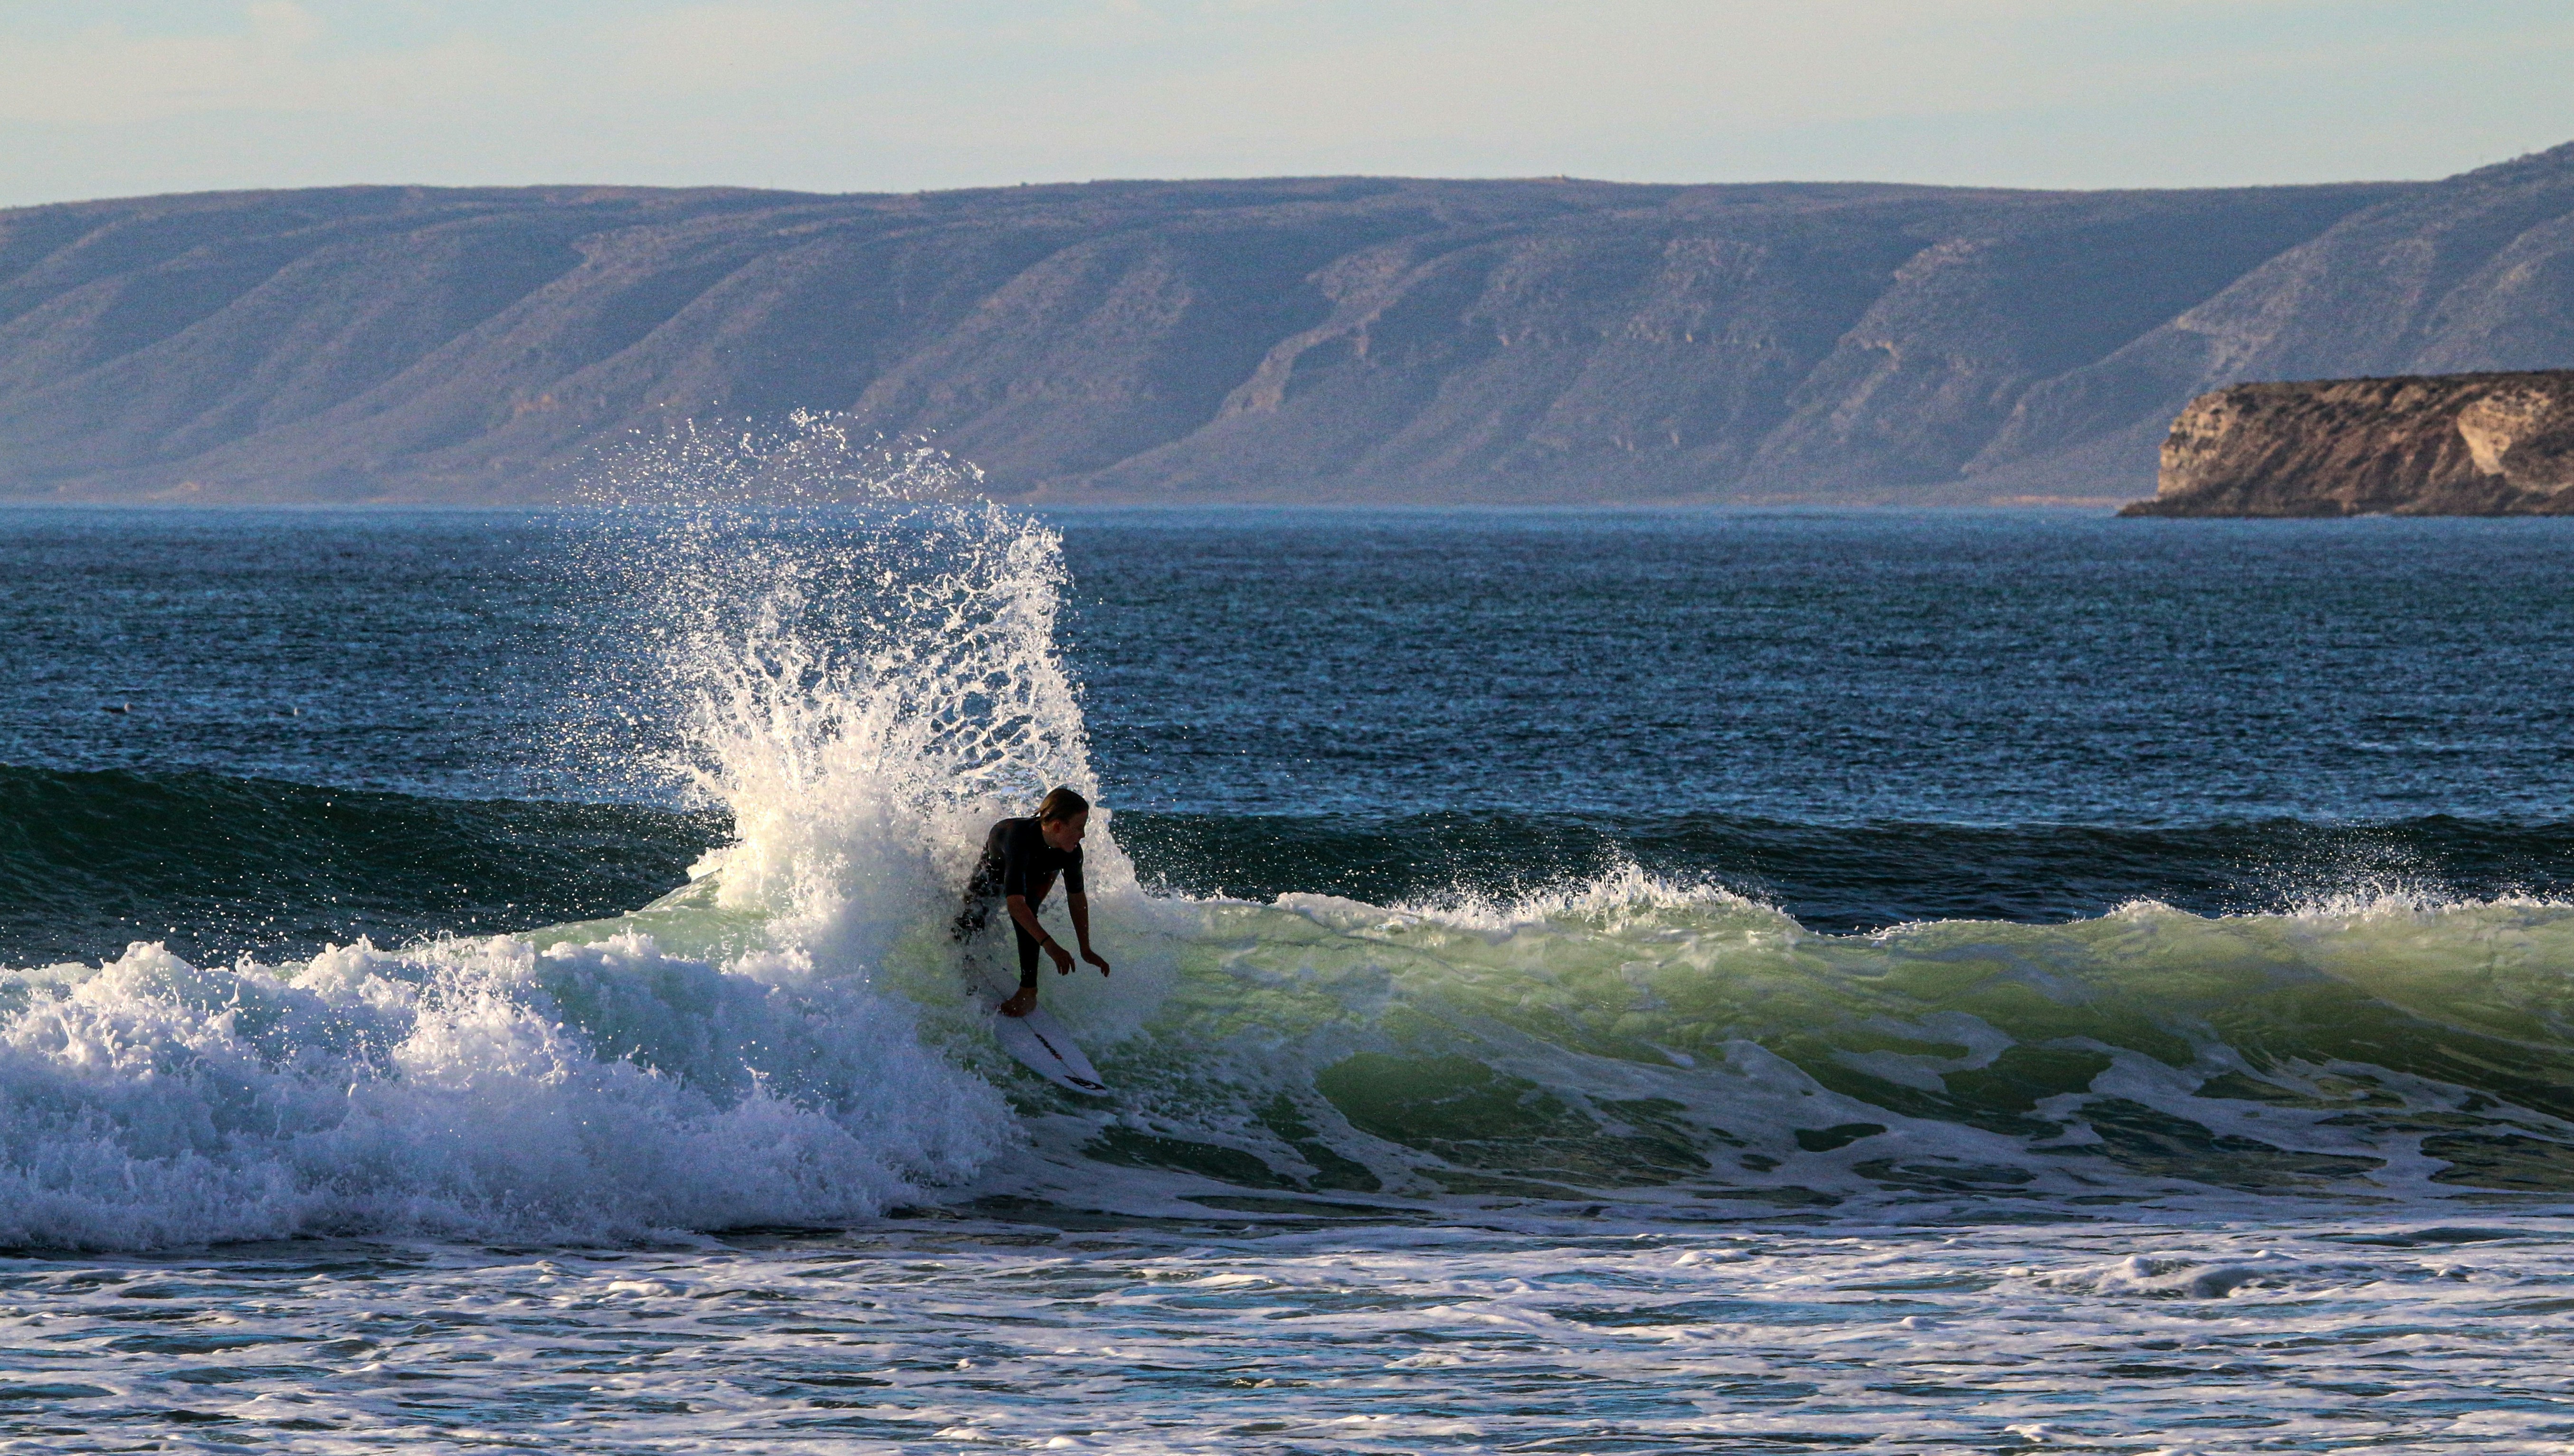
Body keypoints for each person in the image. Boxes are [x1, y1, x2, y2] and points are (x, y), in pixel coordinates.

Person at [952, 786, 1111, 1017]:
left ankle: (1028, 992)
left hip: (1040, 873)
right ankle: (968, 959)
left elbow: (1077, 898)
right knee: (967, 923)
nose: (1083, 835)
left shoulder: (1071, 853)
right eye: (1079, 828)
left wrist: (1085, 948)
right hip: (997, 872)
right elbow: (1015, 906)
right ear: (1058, 826)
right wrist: (1050, 945)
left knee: (1030, 910)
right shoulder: (1019, 839)